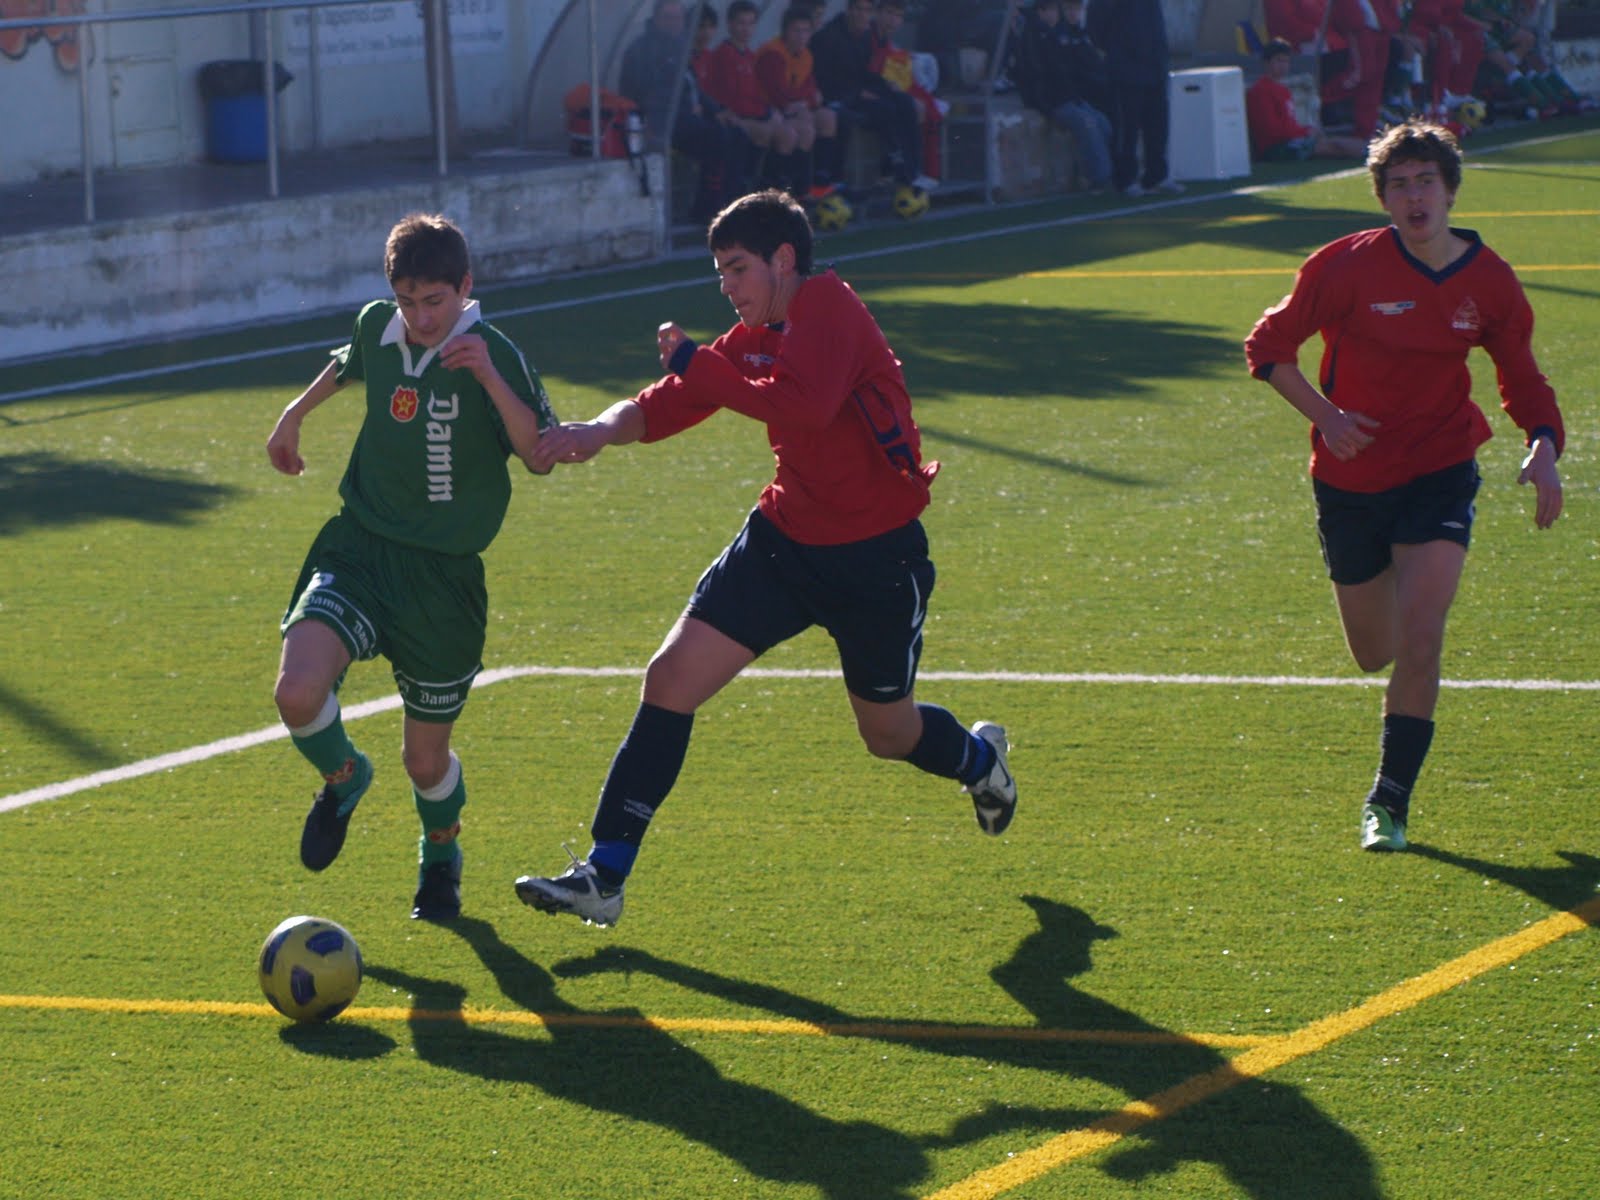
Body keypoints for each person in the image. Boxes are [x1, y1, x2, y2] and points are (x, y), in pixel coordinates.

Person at [513, 189, 1018, 927]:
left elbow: (801, 404)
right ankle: (606, 873)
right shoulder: (757, 331)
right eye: (720, 272)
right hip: (784, 543)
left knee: (889, 734)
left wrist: (696, 362)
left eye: (738, 269)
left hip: (875, 560)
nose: (727, 286)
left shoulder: (830, 309)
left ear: (784, 260)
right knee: (670, 678)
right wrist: (597, 429)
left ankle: (980, 763)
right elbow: (667, 401)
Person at [1244, 121, 1564, 852]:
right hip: (1352, 480)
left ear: (1450, 191)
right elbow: (1268, 347)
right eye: (1399, 184)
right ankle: (1386, 581)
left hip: (1441, 470)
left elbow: (1522, 378)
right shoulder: (1343, 267)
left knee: (1423, 635)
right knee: (1373, 652)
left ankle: (1388, 802)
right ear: (1383, 198)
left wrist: (1543, 447)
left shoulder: (1490, 281)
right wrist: (1327, 418)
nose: (1414, 195)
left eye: (1426, 181)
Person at [266, 213, 558, 919]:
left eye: (435, 302)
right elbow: (348, 359)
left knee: (425, 764)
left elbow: (541, 452)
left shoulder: (495, 351)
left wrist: (487, 376)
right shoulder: (380, 326)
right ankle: (343, 777)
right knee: (297, 692)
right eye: (408, 302)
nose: (421, 318)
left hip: (443, 581)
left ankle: (440, 859)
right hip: (360, 547)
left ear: (465, 286)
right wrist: (292, 415)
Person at [622, 0, 756, 222]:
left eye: (679, 19)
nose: (675, 24)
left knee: (737, 134)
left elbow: (694, 86)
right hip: (661, 121)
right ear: (656, 19)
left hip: (685, 116)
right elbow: (648, 93)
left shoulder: (679, 46)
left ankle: (732, 202)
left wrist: (717, 110)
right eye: (669, 18)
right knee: (717, 137)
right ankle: (709, 208)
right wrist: (686, 108)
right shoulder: (643, 50)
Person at [811, 0, 927, 192]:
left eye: (867, 10)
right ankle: (888, 164)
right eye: (858, 9)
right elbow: (825, 80)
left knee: (904, 101)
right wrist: (858, 93)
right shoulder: (828, 37)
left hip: (858, 93)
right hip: (838, 97)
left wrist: (886, 85)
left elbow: (865, 73)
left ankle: (911, 169)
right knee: (881, 109)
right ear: (849, 10)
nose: (862, 15)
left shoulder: (864, 37)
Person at [1012, 0, 1114, 194]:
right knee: (1087, 123)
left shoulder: (1063, 35)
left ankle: (1105, 172)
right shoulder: (1033, 37)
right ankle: (1099, 179)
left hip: (1072, 98)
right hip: (1052, 102)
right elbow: (1036, 74)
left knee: (1103, 123)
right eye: (1044, 11)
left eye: (1052, 10)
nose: (1050, 15)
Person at [1086, 0, 1182, 196]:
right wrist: (1119, 50)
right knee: (1127, 128)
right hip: (1126, 69)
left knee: (1157, 125)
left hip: (1154, 65)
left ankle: (1156, 175)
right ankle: (1125, 179)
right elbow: (1096, 23)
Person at [754, 4, 844, 197]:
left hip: (794, 109)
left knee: (828, 117)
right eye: (796, 30)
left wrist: (804, 102)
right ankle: (790, 187)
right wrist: (804, 102)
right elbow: (779, 94)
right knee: (804, 128)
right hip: (770, 110)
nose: (801, 36)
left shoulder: (806, 55)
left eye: (806, 31)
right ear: (785, 31)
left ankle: (821, 180)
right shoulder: (773, 53)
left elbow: (812, 91)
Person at [707, 0, 800, 169]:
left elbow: (758, 93)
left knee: (790, 134)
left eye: (751, 23)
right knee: (767, 132)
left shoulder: (750, 56)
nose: (746, 29)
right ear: (730, 24)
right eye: (741, 23)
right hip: (732, 116)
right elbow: (731, 98)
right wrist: (764, 113)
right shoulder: (723, 54)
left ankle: (775, 185)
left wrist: (770, 111)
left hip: (751, 114)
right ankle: (749, 183)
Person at [1247, 38, 1369, 160]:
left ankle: (1368, 150)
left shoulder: (1283, 90)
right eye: (1278, 61)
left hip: (1291, 140)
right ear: (1267, 63)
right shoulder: (1260, 91)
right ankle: (1368, 153)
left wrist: (1306, 132)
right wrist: (1305, 132)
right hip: (1276, 148)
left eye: (1286, 61)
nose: (1283, 66)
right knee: (1331, 146)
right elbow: (1271, 131)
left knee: (1335, 143)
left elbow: (1289, 124)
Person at [869, 0, 947, 188]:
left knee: (928, 105)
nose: (892, 20)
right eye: (889, 13)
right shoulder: (867, 38)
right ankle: (904, 172)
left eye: (898, 15)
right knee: (913, 106)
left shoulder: (891, 46)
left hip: (891, 96)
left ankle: (926, 173)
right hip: (871, 97)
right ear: (877, 13)